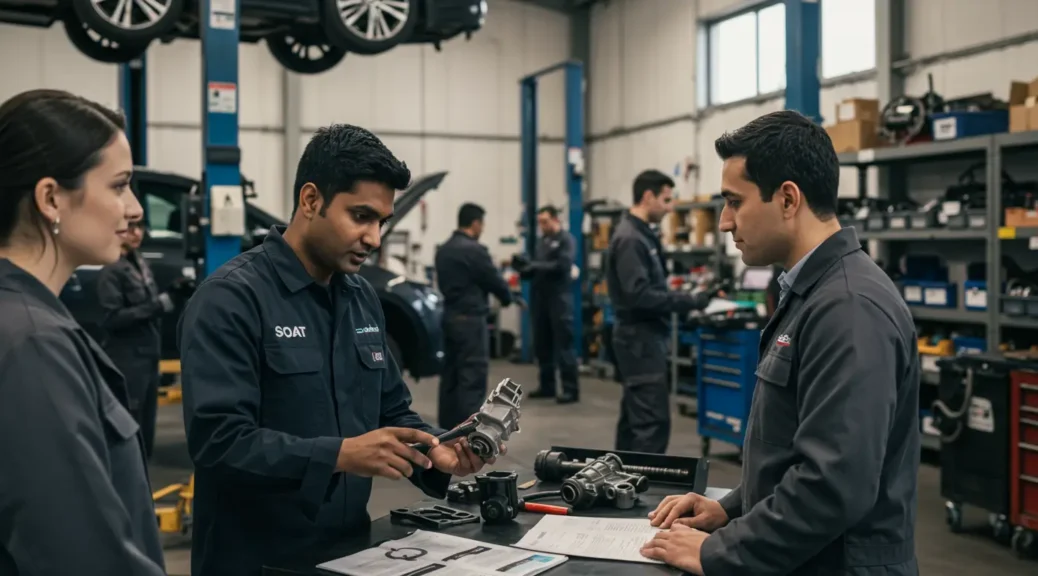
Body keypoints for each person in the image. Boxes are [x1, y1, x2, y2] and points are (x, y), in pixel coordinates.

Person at [179, 124, 499, 576]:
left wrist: (437, 449)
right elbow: (219, 443)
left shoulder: (362, 298)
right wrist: (338, 455)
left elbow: (392, 411)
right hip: (254, 560)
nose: (374, 238)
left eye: (381, 222)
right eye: (361, 216)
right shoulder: (231, 300)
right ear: (311, 200)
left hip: (349, 553)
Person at [641, 110, 920, 576]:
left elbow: (833, 486)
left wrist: (719, 552)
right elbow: (794, 451)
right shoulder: (814, 292)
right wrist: (731, 508)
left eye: (735, 202)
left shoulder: (848, 307)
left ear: (788, 199)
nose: (725, 222)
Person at [0, 89, 165, 575]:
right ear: (51, 198)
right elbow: (82, 554)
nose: (134, 209)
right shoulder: (33, 344)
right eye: (119, 186)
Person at [605, 170, 719, 454]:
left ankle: (623, 475)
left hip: (644, 338)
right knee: (651, 424)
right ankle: (645, 480)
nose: (670, 208)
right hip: (639, 340)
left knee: (635, 419)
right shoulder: (631, 239)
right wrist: (690, 300)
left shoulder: (641, 234)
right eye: (666, 200)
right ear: (648, 197)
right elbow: (639, 295)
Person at [97, 219, 187, 458]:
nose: (136, 233)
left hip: (148, 355)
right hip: (127, 358)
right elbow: (112, 318)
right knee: (129, 422)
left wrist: (173, 292)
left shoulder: (140, 263)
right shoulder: (111, 270)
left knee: (146, 427)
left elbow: (148, 303)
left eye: (140, 227)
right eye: (130, 227)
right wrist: (157, 305)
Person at [434, 202, 515, 430]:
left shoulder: (444, 249)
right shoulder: (475, 250)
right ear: (476, 223)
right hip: (470, 321)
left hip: (449, 318)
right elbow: (493, 280)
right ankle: (467, 432)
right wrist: (507, 298)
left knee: (451, 376)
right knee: (472, 378)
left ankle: (445, 430)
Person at [515, 205, 579, 404]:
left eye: (545, 221)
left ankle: (570, 389)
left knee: (564, 344)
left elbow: (563, 265)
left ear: (555, 220)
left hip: (559, 299)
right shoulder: (542, 242)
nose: (542, 226)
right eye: (540, 222)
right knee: (542, 344)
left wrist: (535, 265)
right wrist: (525, 268)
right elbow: (537, 268)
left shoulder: (566, 240)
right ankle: (547, 386)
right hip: (541, 298)